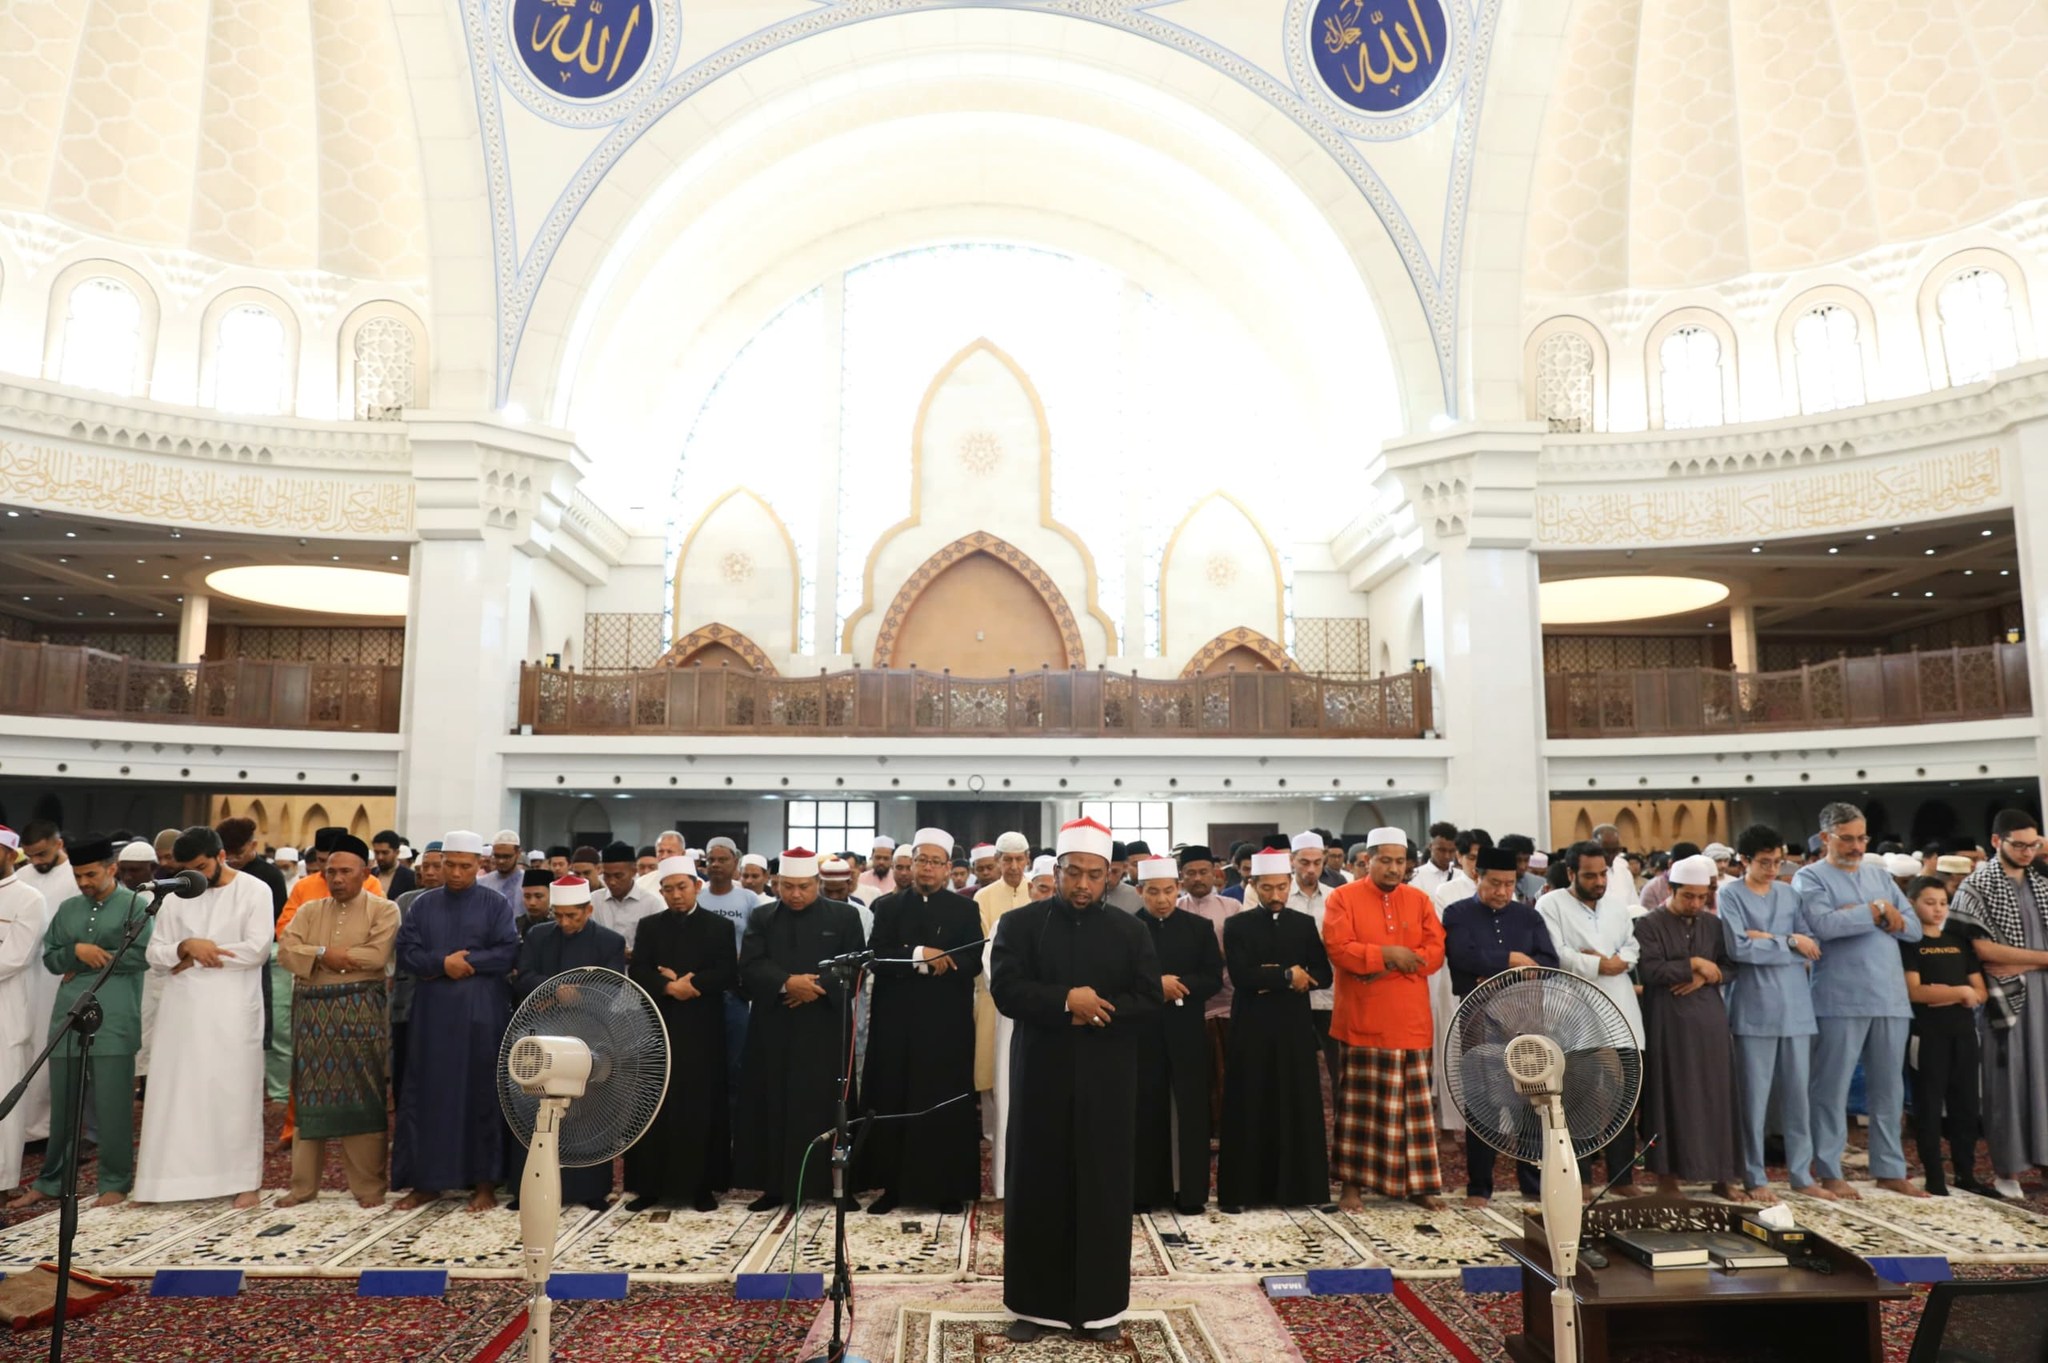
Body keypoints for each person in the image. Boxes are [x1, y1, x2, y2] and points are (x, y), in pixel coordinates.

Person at [990, 817, 1161, 1343]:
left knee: (1102, 1184)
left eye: (1093, 875)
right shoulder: (1021, 925)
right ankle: (1033, 1307)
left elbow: (1150, 1000)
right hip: (1041, 1072)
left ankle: (1101, 1308)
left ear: (1109, 875)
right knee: (1038, 1181)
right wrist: (1068, 1001)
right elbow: (1007, 991)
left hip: (1108, 1078)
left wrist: (1098, 1009)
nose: (1082, 884)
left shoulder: (1131, 930)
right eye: (1073, 874)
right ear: (1057, 871)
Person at [1793, 802, 1925, 1199]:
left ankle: (1889, 1168)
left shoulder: (1879, 876)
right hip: (1838, 998)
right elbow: (1823, 926)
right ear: (1825, 838)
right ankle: (1830, 1170)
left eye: (1861, 838)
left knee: (1889, 1090)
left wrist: (1866, 912)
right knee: (1830, 1089)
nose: (1855, 846)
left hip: (1889, 996)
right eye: (1847, 838)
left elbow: (1915, 929)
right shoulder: (1809, 877)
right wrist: (1877, 914)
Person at [11, 836, 150, 1209]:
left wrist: (93, 957)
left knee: (113, 1107)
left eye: (91, 874)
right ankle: (52, 1180)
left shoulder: (138, 905)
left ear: (111, 869)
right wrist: (76, 952)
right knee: (65, 1106)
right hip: (69, 1014)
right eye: (78, 876)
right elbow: (51, 957)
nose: (84, 882)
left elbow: (141, 955)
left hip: (116, 1017)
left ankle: (115, 1181)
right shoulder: (70, 908)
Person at [134, 826, 270, 1207]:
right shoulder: (177, 893)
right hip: (182, 1010)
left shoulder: (254, 890)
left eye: (200, 866)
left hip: (232, 1009)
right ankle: (163, 1183)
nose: (194, 875)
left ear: (221, 856)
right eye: (185, 868)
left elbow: (256, 949)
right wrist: (184, 946)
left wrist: (198, 955)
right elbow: (155, 954)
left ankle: (243, 1181)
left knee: (233, 1092)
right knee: (175, 1093)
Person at [392, 830, 521, 1212]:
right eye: (451, 865)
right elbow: (407, 952)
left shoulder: (495, 903)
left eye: (466, 866)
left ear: (479, 866)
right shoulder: (423, 905)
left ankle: (484, 1184)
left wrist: (465, 963)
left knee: (480, 1095)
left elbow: (508, 953)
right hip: (432, 1016)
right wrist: (441, 964)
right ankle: (426, 1182)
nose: (457, 873)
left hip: (482, 1014)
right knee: (428, 1094)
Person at [735, 849, 866, 1212]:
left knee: (830, 1105)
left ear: (817, 884)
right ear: (776, 884)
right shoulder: (762, 917)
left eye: (804, 887)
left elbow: (855, 966)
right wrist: (786, 983)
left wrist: (813, 988)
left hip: (825, 1029)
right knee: (774, 1103)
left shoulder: (844, 916)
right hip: (774, 1028)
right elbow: (751, 965)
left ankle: (839, 1186)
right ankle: (775, 1187)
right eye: (788, 887)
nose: (795, 894)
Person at [860, 829, 983, 1215]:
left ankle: (945, 1188)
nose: (927, 868)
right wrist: (920, 954)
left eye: (935, 862)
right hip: (896, 1024)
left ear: (948, 868)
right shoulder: (888, 907)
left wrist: (948, 961)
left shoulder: (965, 909)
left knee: (942, 1103)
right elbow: (876, 956)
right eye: (921, 860)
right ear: (910, 865)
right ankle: (892, 1188)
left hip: (945, 1027)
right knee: (893, 1097)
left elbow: (974, 960)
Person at [1324, 827, 1446, 1211]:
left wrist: (1379, 963)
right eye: (1386, 861)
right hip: (1363, 1019)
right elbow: (1340, 949)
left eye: (1400, 861)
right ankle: (1352, 1187)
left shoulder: (1419, 899)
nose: (1394, 868)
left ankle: (1420, 1185)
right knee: (1360, 1112)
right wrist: (1392, 955)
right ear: (1367, 861)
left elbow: (1435, 951)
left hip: (1412, 1021)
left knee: (1415, 1112)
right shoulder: (1343, 898)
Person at [276, 835, 399, 1209]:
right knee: (310, 1096)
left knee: (364, 1097)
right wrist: (328, 954)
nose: (337, 878)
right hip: (312, 1015)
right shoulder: (310, 910)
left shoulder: (384, 909)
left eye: (345, 871)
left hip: (361, 1014)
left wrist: (318, 959)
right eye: (330, 871)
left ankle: (368, 1188)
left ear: (364, 872)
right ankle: (302, 1187)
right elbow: (286, 949)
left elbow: (377, 956)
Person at [1216, 848, 1331, 1212]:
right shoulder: (1237, 925)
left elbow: (1323, 974)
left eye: (1282, 887)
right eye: (1268, 888)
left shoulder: (1303, 924)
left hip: (1294, 1028)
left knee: (1295, 1103)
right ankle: (1243, 1193)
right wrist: (1286, 975)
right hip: (1252, 1027)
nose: (1276, 895)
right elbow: (1242, 977)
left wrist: (1275, 977)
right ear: (1253, 885)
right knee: (1250, 1102)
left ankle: (1301, 1191)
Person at [1442, 845, 1558, 1205]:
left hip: (1527, 1018)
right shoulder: (1458, 913)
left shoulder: (1529, 917)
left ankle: (1532, 1183)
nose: (1503, 892)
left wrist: (1489, 969)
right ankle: (1480, 1186)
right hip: (1480, 1016)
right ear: (1478, 876)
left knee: (1531, 1099)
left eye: (1509, 884)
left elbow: (1547, 960)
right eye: (1495, 883)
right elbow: (1460, 956)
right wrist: (1509, 959)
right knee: (1483, 1101)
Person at [1718, 824, 1824, 1201]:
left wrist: (1772, 940)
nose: (1773, 869)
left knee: (1799, 1097)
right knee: (1753, 1100)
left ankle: (1800, 1173)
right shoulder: (1729, 895)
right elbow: (1738, 948)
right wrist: (1789, 943)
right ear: (1744, 860)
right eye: (1765, 862)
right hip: (1753, 1007)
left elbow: (1811, 943)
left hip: (1796, 1006)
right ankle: (1754, 1174)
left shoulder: (1788, 893)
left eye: (1779, 862)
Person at [1634, 855, 1747, 1201]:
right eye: (1689, 897)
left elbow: (1729, 968)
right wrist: (1695, 964)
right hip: (1667, 1020)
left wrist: (1705, 975)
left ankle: (1722, 1176)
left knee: (1718, 1095)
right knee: (1668, 1095)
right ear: (1671, 889)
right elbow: (1650, 971)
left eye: (1702, 898)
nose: (1696, 904)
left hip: (1710, 1021)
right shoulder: (1648, 924)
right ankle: (1667, 1179)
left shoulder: (1713, 925)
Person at [626, 857, 737, 1212]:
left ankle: (700, 1187)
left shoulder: (718, 928)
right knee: (655, 1104)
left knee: (699, 1106)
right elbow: (639, 968)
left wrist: (693, 985)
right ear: (661, 891)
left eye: (682, 887)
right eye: (669, 889)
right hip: (658, 1026)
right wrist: (668, 986)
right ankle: (649, 1187)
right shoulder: (649, 926)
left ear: (697, 886)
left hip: (702, 1029)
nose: (676, 895)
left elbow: (727, 973)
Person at [1948, 809, 2048, 1200]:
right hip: (2006, 1000)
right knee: (2008, 1083)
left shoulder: (2042, 880)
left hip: (2040, 992)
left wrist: (2026, 958)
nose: (2026, 852)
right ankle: (2007, 1171)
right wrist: (2042, 958)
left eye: (2033, 845)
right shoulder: (1978, 884)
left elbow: (2009, 954)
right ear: (1996, 842)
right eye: (2018, 845)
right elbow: (1983, 950)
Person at [1536, 841, 1645, 1194]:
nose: (1599, 881)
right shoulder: (1550, 904)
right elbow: (1556, 953)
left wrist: (1612, 962)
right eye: (1589, 875)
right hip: (1574, 1012)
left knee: (1624, 1096)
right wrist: (1602, 963)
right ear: (1571, 873)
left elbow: (1632, 948)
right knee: (1577, 1097)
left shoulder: (1617, 907)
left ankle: (1621, 1178)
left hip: (1621, 1008)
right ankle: (1578, 1177)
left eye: (1602, 874)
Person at [513, 874, 626, 1212]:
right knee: (533, 1106)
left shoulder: (610, 941)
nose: (563, 922)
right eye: (558, 915)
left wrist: (575, 994)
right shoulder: (537, 935)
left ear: (588, 910)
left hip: (589, 1037)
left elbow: (612, 987)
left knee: (588, 1110)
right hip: (543, 1033)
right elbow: (524, 977)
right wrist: (554, 988)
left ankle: (590, 1189)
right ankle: (529, 1187)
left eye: (572, 916)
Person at [1130, 856, 1221, 1215]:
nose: (1163, 899)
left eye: (1169, 891)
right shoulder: (1126, 928)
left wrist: (1177, 987)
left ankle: (1190, 1193)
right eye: (1154, 892)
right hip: (1142, 1032)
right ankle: (1143, 1191)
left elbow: (1213, 977)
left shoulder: (1199, 928)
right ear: (1141, 892)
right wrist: (1156, 986)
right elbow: (1117, 978)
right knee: (1143, 1109)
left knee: (1191, 1110)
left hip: (1186, 1032)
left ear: (1178, 888)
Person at [1900, 875, 1990, 1198]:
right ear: (1912, 904)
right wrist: (1958, 992)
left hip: (1964, 1034)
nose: (1938, 910)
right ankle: (1934, 1177)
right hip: (1927, 1035)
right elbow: (1915, 991)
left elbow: (1979, 991)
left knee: (1965, 1107)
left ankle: (1965, 1174)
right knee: (1928, 1105)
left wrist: (1950, 993)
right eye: (1930, 903)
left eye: (1943, 903)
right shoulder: (1909, 943)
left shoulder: (1958, 939)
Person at [0, 829, 64, 1200]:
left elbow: (14, 957)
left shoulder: (29, 898)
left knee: (5, 1093)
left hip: (7, 1011)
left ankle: (4, 1182)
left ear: (11, 854)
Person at [694, 838, 761, 1124]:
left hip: (736, 992)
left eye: (723, 860)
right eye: (712, 860)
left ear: (735, 862)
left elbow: (755, 943)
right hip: (702, 990)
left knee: (736, 1062)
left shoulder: (748, 899)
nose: (717, 865)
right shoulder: (697, 897)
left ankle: (734, 1126)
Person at [16, 820, 74, 1145]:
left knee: (51, 1049)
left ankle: (49, 1130)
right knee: (21, 1047)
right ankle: (19, 1127)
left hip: (60, 977)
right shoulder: (20, 878)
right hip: (21, 978)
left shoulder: (77, 879)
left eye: (42, 853)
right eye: (31, 855)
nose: (37, 860)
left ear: (59, 843)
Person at [1174, 844, 1239, 1131]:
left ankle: (1225, 1127)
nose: (1198, 878)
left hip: (1228, 1000)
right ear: (1181, 877)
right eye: (1191, 873)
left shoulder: (1232, 908)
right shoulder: (1176, 908)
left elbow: (1240, 952)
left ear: (1215, 874)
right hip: (1188, 1003)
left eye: (1203, 872)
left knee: (1227, 1072)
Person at [973, 832, 1033, 1138]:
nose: (1012, 866)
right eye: (1006, 859)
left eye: (1018, 859)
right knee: (991, 1066)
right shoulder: (983, 897)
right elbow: (984, 949)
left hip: (1034, 992)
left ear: (1027, 860)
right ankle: (992, 1134)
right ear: (997, 861)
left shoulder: (1036, 891)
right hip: (991, 993)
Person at [1285, 831, 1344, 1109]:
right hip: (1291, 995)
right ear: (1292, 861)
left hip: (1332, 995)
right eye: (1304, 862)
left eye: (1317, 863)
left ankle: (1343, 1129)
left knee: (1339, 1068)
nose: (1311, 869)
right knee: (1295, 1067)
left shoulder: (1338, 897)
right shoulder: (1280, 896)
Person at [389, 842, 442, 1105]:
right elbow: (397, 948)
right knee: (405, 1068)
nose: (429, 873)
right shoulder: (405, 901)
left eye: (436, 866)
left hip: (444, 1000)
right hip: (407, 999)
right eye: (424, 868)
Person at [592, 841, 662, 950]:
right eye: (607, 876)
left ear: (634, 871)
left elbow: (657, 945)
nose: (612, 882)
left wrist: (634, 954)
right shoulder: (593, 901)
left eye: (618, 876)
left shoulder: (651, 904)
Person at [1410, 823, 1459, 896]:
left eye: (1451, 851)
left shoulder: (1461, 876)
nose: (1447, 856)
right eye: (1441, 850)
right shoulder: (1415, 876)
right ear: (1430, 846)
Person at [480, 830, 525, 907]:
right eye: (497, 856)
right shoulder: (482, 883)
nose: (501, 861)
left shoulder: (528, 882)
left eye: (506, 856)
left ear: (518, 854)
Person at [371, 830, 416, 898]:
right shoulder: (369, 875)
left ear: (397, 852)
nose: (380, 857)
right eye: (377, 853)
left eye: (385, 853)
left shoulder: (410, 878)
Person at [513, 867, 555, 938]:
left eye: (538, 896)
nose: (532, 903)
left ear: (551, 895)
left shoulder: (559, 924)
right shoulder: (516, 925)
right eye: (527, 896)